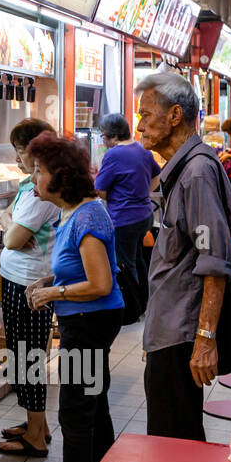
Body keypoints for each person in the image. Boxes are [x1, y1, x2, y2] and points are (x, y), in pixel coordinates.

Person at [20, 132, 123, 462]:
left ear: (59, 176)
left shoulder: (87, 215)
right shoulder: (73, 212)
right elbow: (79, 269)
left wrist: (54, 291)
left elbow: (99, 282)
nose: (33, 179)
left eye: (39, 171)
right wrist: (52, 279)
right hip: (85, 318)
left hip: (91, 321)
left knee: (76, 412)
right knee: (94, 408)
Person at [136, 71, 231, 442]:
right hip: (170, 331)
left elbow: (214, 261)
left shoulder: (196, 173)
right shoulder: (182, 169)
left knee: (174, 442)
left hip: (183, 335)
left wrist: (204, 339)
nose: (140, 124)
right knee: (172, 440)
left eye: (146, 115)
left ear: (175, 115)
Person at [0, 118, 61, 458]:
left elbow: (12, 236)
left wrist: (11, 230)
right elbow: (8, 220)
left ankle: (36, 436)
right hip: (16, 278)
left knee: (29, 358)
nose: (19, 160)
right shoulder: (27, 185)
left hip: (31, 284)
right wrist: (10, 227)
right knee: (21, 355)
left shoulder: (42, 192)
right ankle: (38, 424)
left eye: (22, 152)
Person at [93, 113, 159, 315]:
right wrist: (142, 193)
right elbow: (157, 176)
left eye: (103, 136)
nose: (103, 140)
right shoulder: (142, 149)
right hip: (145, 215)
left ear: (112, 135)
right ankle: (144, 302)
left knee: (125, 262)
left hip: (124, 218)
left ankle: (131, 308)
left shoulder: (114, 154)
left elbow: (100, 190)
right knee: (138, 258)